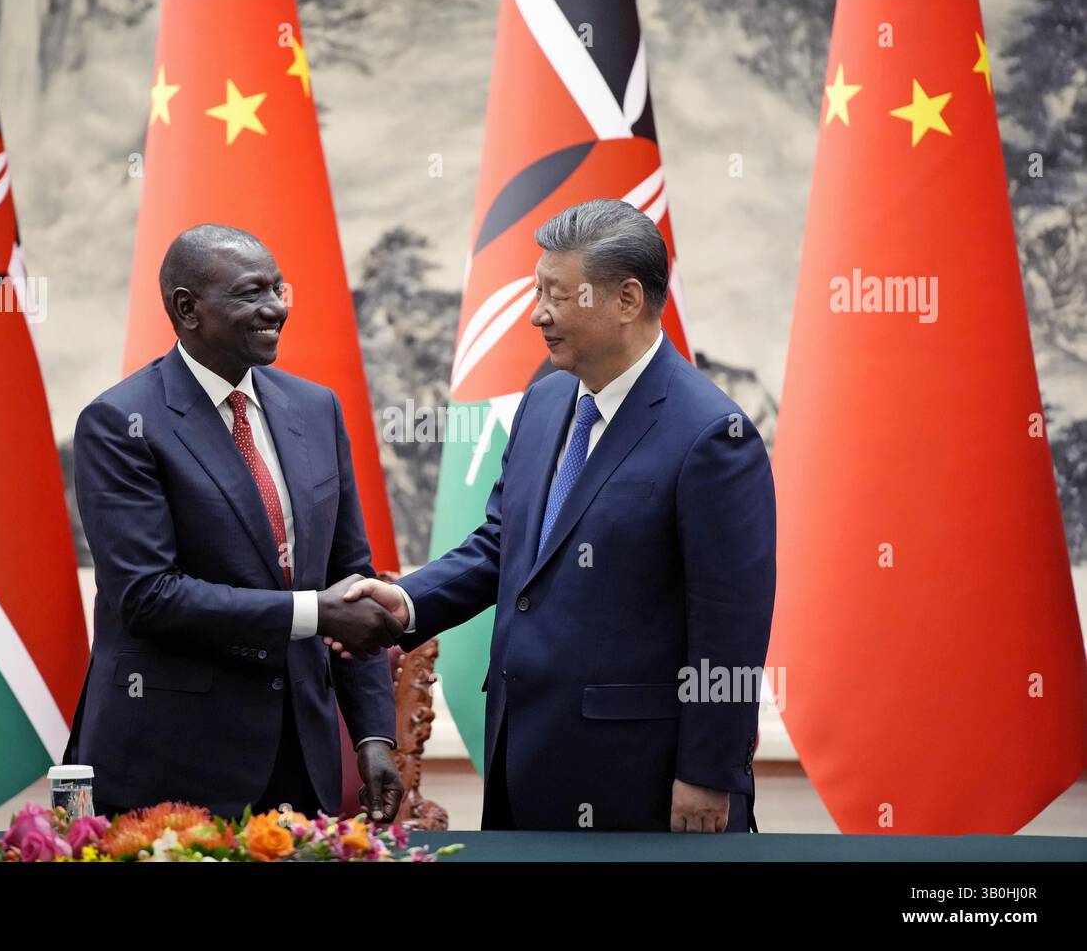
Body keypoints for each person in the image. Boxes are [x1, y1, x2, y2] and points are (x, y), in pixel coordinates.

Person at [331, 199, 776, 832]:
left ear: (625, 299)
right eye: (538, 291)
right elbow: (502, 545)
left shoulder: (712, 435)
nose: (537, 314)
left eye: (557, 296)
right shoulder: (546, 401)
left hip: (639, 777)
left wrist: (707, 773)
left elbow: (730, 626)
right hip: (521, 754)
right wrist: (404, 602)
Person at [64, 223, 403, 822]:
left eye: (279, 289)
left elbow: (352, 578)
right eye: (251, 294)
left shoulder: (315, 407)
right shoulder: (120, 422)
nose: (275, 308)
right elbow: (148, 595)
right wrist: (315, 613)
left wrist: (374, 736)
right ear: (187, 308)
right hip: (174, 766)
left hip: (301, 758)